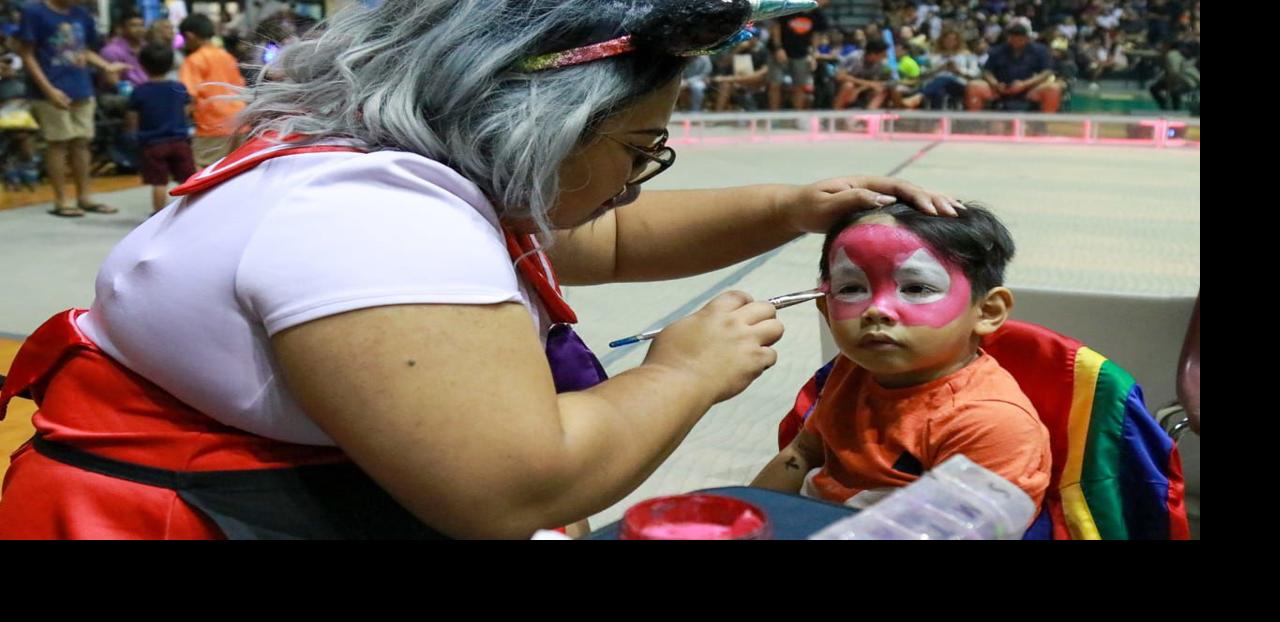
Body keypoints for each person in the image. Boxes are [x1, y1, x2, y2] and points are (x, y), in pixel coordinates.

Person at [0, 0, 960, 540]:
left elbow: (611, 239)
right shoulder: (372, 224)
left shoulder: (393, 178)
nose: (640, 179)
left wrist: (789, 209)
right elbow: (512, 490)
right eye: (638, 147)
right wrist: (684, 374)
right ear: (535, 125)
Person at [751, 203, 1051, 515]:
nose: (876, 310)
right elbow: (803, 451)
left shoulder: (990, 422)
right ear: (826, 308)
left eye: (916, 288)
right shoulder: (854, 368)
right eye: (852, 288)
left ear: (988, 311)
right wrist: (735, 521)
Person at [15, 0, 130, 217]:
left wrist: (106, 66)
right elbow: (27, 54)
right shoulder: (34, 12)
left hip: (81, 86)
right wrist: (49, 90)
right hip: (49, 89)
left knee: (82, 142)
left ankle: (84, 196)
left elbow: (84, 50)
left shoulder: (82, 14)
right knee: (57, 142)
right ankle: (61, 200)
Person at [125, 42, 194, 214]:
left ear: (142, 65)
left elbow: (132, 118)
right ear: (171, 64)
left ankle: (158, 214)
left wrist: (132, 134)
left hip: (153, 143)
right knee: (187, 179)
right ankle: (192, 210)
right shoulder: (178, 87)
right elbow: (187, 110)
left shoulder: (139, 91)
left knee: (159, 182)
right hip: (179, 141)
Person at [177, 12, 244, 168]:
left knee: (204, 173)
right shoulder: (226, 55)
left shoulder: (193, 60)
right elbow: (240, 87)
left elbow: (189, 95)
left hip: (212, 125)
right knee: (235, 172)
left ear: (190, 35)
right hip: (240, 121)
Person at [965, 23, 1064, 112]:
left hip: (1029, 89)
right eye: (1013, 39)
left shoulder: (1040, 50)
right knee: (974, 85)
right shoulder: (998, 50)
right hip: (1000, 88)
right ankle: (975, 124)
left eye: (1020, 39)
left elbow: (1047, 71)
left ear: (1026, 38)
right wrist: (995, 84)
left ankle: (1045, 124)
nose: (1016, 42)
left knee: (1053, 88)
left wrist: (1025, 84)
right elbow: (987, 71)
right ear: (1009, 38)